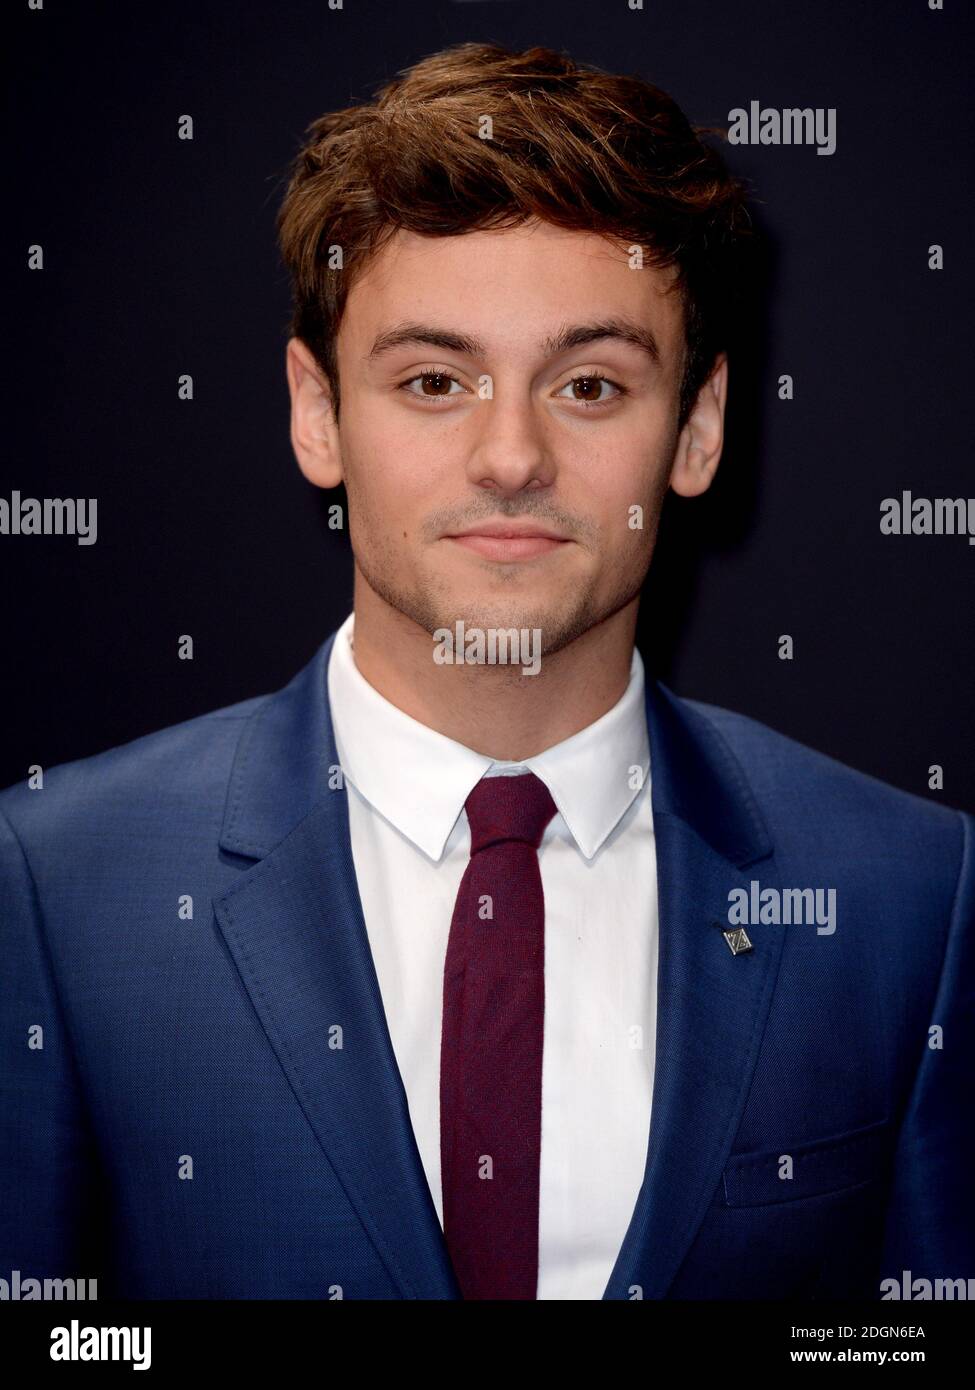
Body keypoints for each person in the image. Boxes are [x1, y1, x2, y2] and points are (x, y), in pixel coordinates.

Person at [1, 41, 972, 1302]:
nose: (510, 455)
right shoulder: (57, 881)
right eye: (433, 380)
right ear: (315, 412)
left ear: (698, 427)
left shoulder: (908, 894)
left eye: (588, 383)